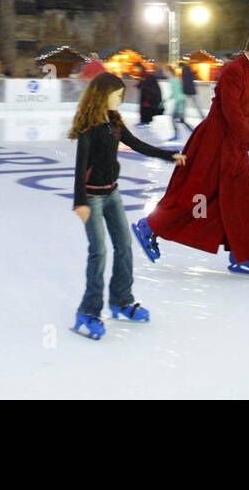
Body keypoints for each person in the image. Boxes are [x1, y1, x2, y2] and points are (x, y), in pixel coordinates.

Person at [133, 28, 249, 276]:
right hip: (213, 145)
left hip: (235, 147)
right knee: (194, 198)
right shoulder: (233, 71)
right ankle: (148, 227)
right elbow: (231, 113)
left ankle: (244, 255)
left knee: (247, 200)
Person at [68, 72, 185, 340]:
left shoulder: (115, 121)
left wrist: (169, 155)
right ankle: (88, 312)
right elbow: (80, 166)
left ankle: (121, 300)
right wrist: (80, 202)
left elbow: (137, 145)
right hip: (93, 198)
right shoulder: (89, 125)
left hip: (113, 194)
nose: (120, 99)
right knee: (99, 252)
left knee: (124, 246)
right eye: (116, 95)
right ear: (102, 95)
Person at [165, 64, 191, 142]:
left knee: (174, 118)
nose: (164, 73)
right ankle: (193, 131)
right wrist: (165, 100)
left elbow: (177, 94)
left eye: (165, 71)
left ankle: (177, 135)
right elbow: (175, 93)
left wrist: (179, 106)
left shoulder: (173, 80)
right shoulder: (174, 79)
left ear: (169, 71)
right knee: (181, 120)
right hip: (180, 101)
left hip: (179, 102)